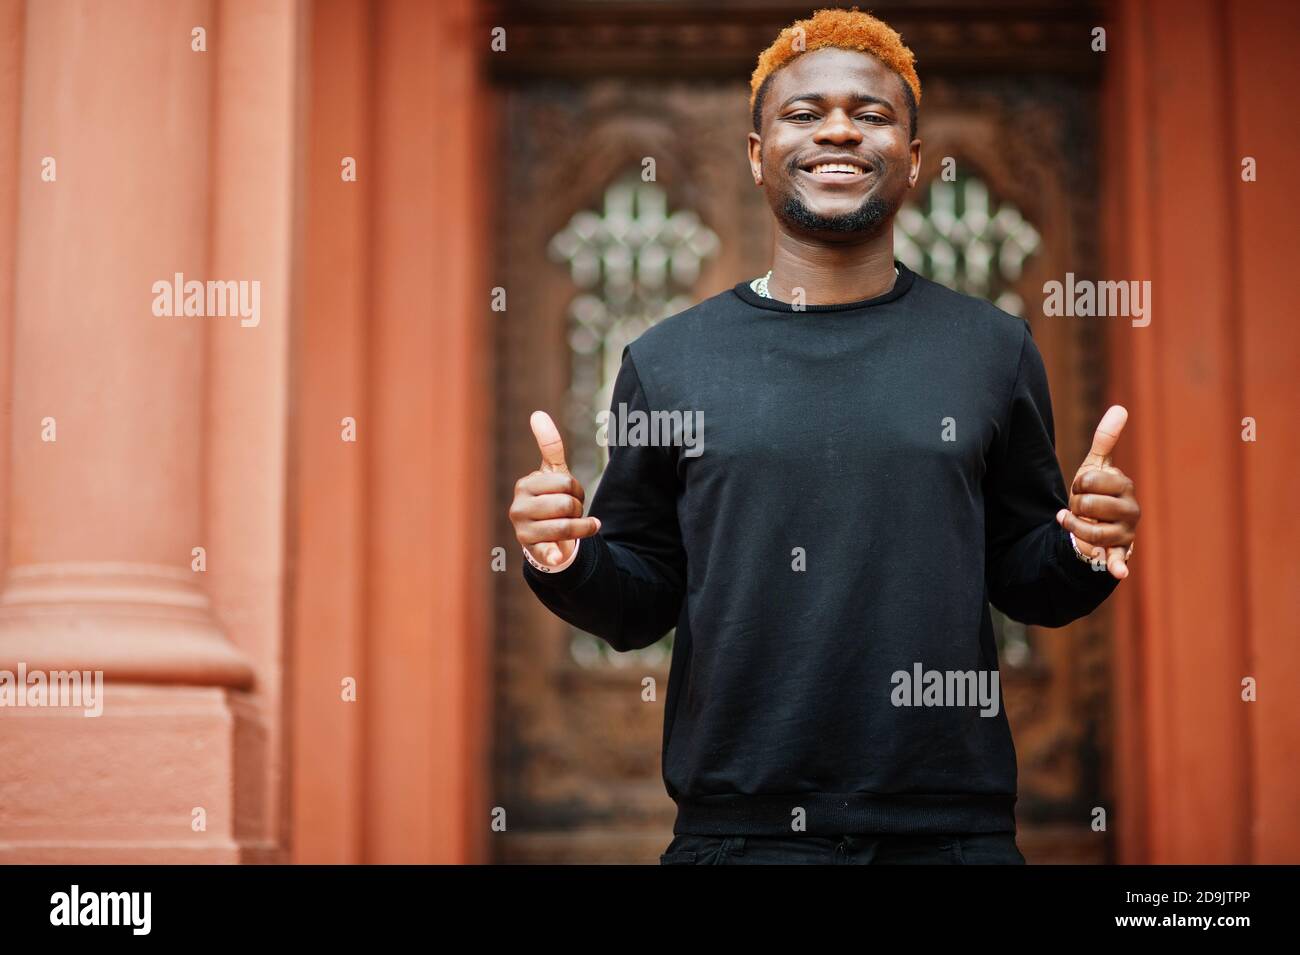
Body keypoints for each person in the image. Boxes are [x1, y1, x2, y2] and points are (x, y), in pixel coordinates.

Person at [509, 6, 1140, 865]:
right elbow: (641, 601)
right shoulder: (669, 361)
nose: (838, 129)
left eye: (871, 113)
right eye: (804, 114)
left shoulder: (992, 349)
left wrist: (1086, 546)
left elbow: (1029, 580)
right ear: (756, 152)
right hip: (739, 836)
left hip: (952, 836)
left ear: (912, 160)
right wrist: (562, 555)